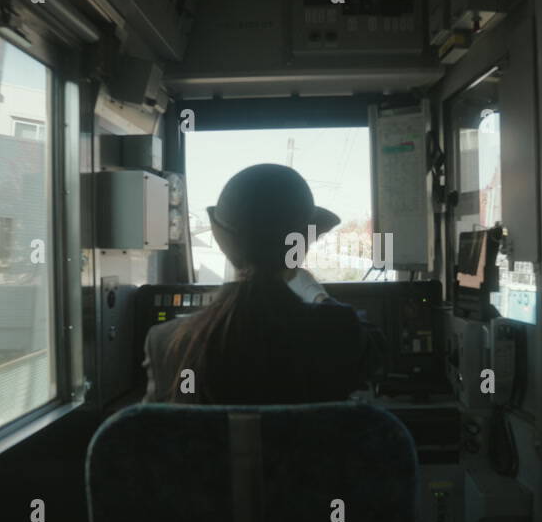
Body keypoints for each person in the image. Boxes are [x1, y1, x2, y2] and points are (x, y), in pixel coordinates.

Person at [142, 163, 384, 405]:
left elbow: (167, 426)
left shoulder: (168, 343)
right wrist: (317, 295)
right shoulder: (337, 333)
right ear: (298, 252)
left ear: (226, 246)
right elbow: (375, 353)